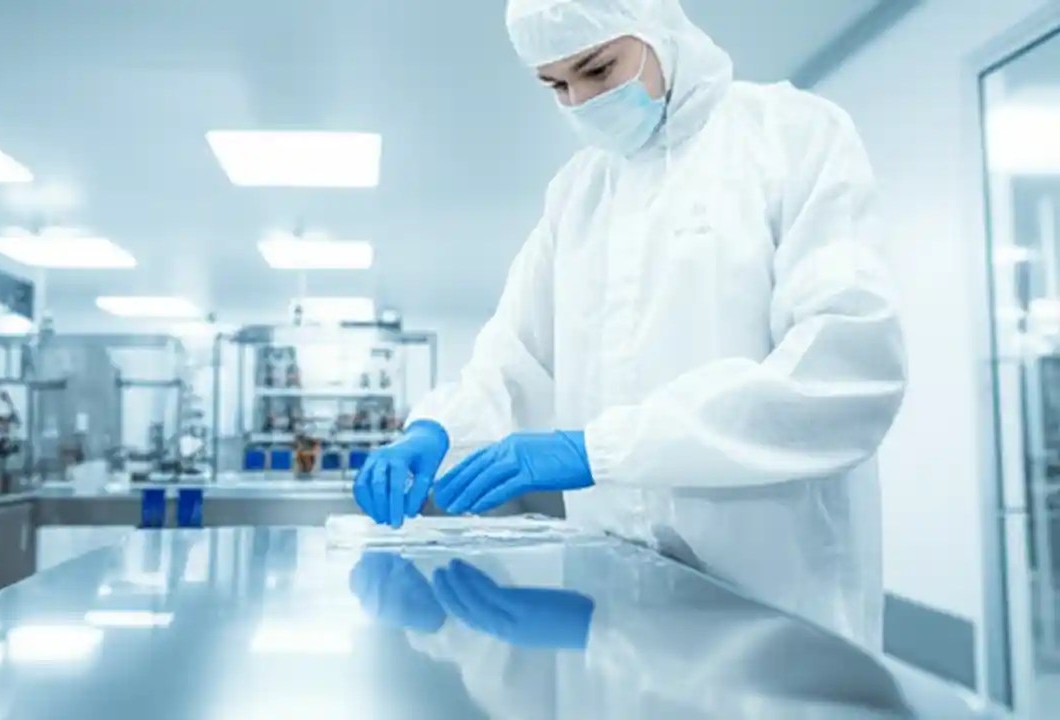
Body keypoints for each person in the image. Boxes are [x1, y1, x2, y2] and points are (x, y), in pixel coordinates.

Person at [352, 0, 906, 649]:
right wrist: (437, 429)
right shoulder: (579, 193)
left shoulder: (791, 136)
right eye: (556, 85)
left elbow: (844, 370)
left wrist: (597, 451)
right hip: (617, 605)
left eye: (597, 68)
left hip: (778, 606)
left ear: (658, 27)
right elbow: (516, 357)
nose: (581, 101)